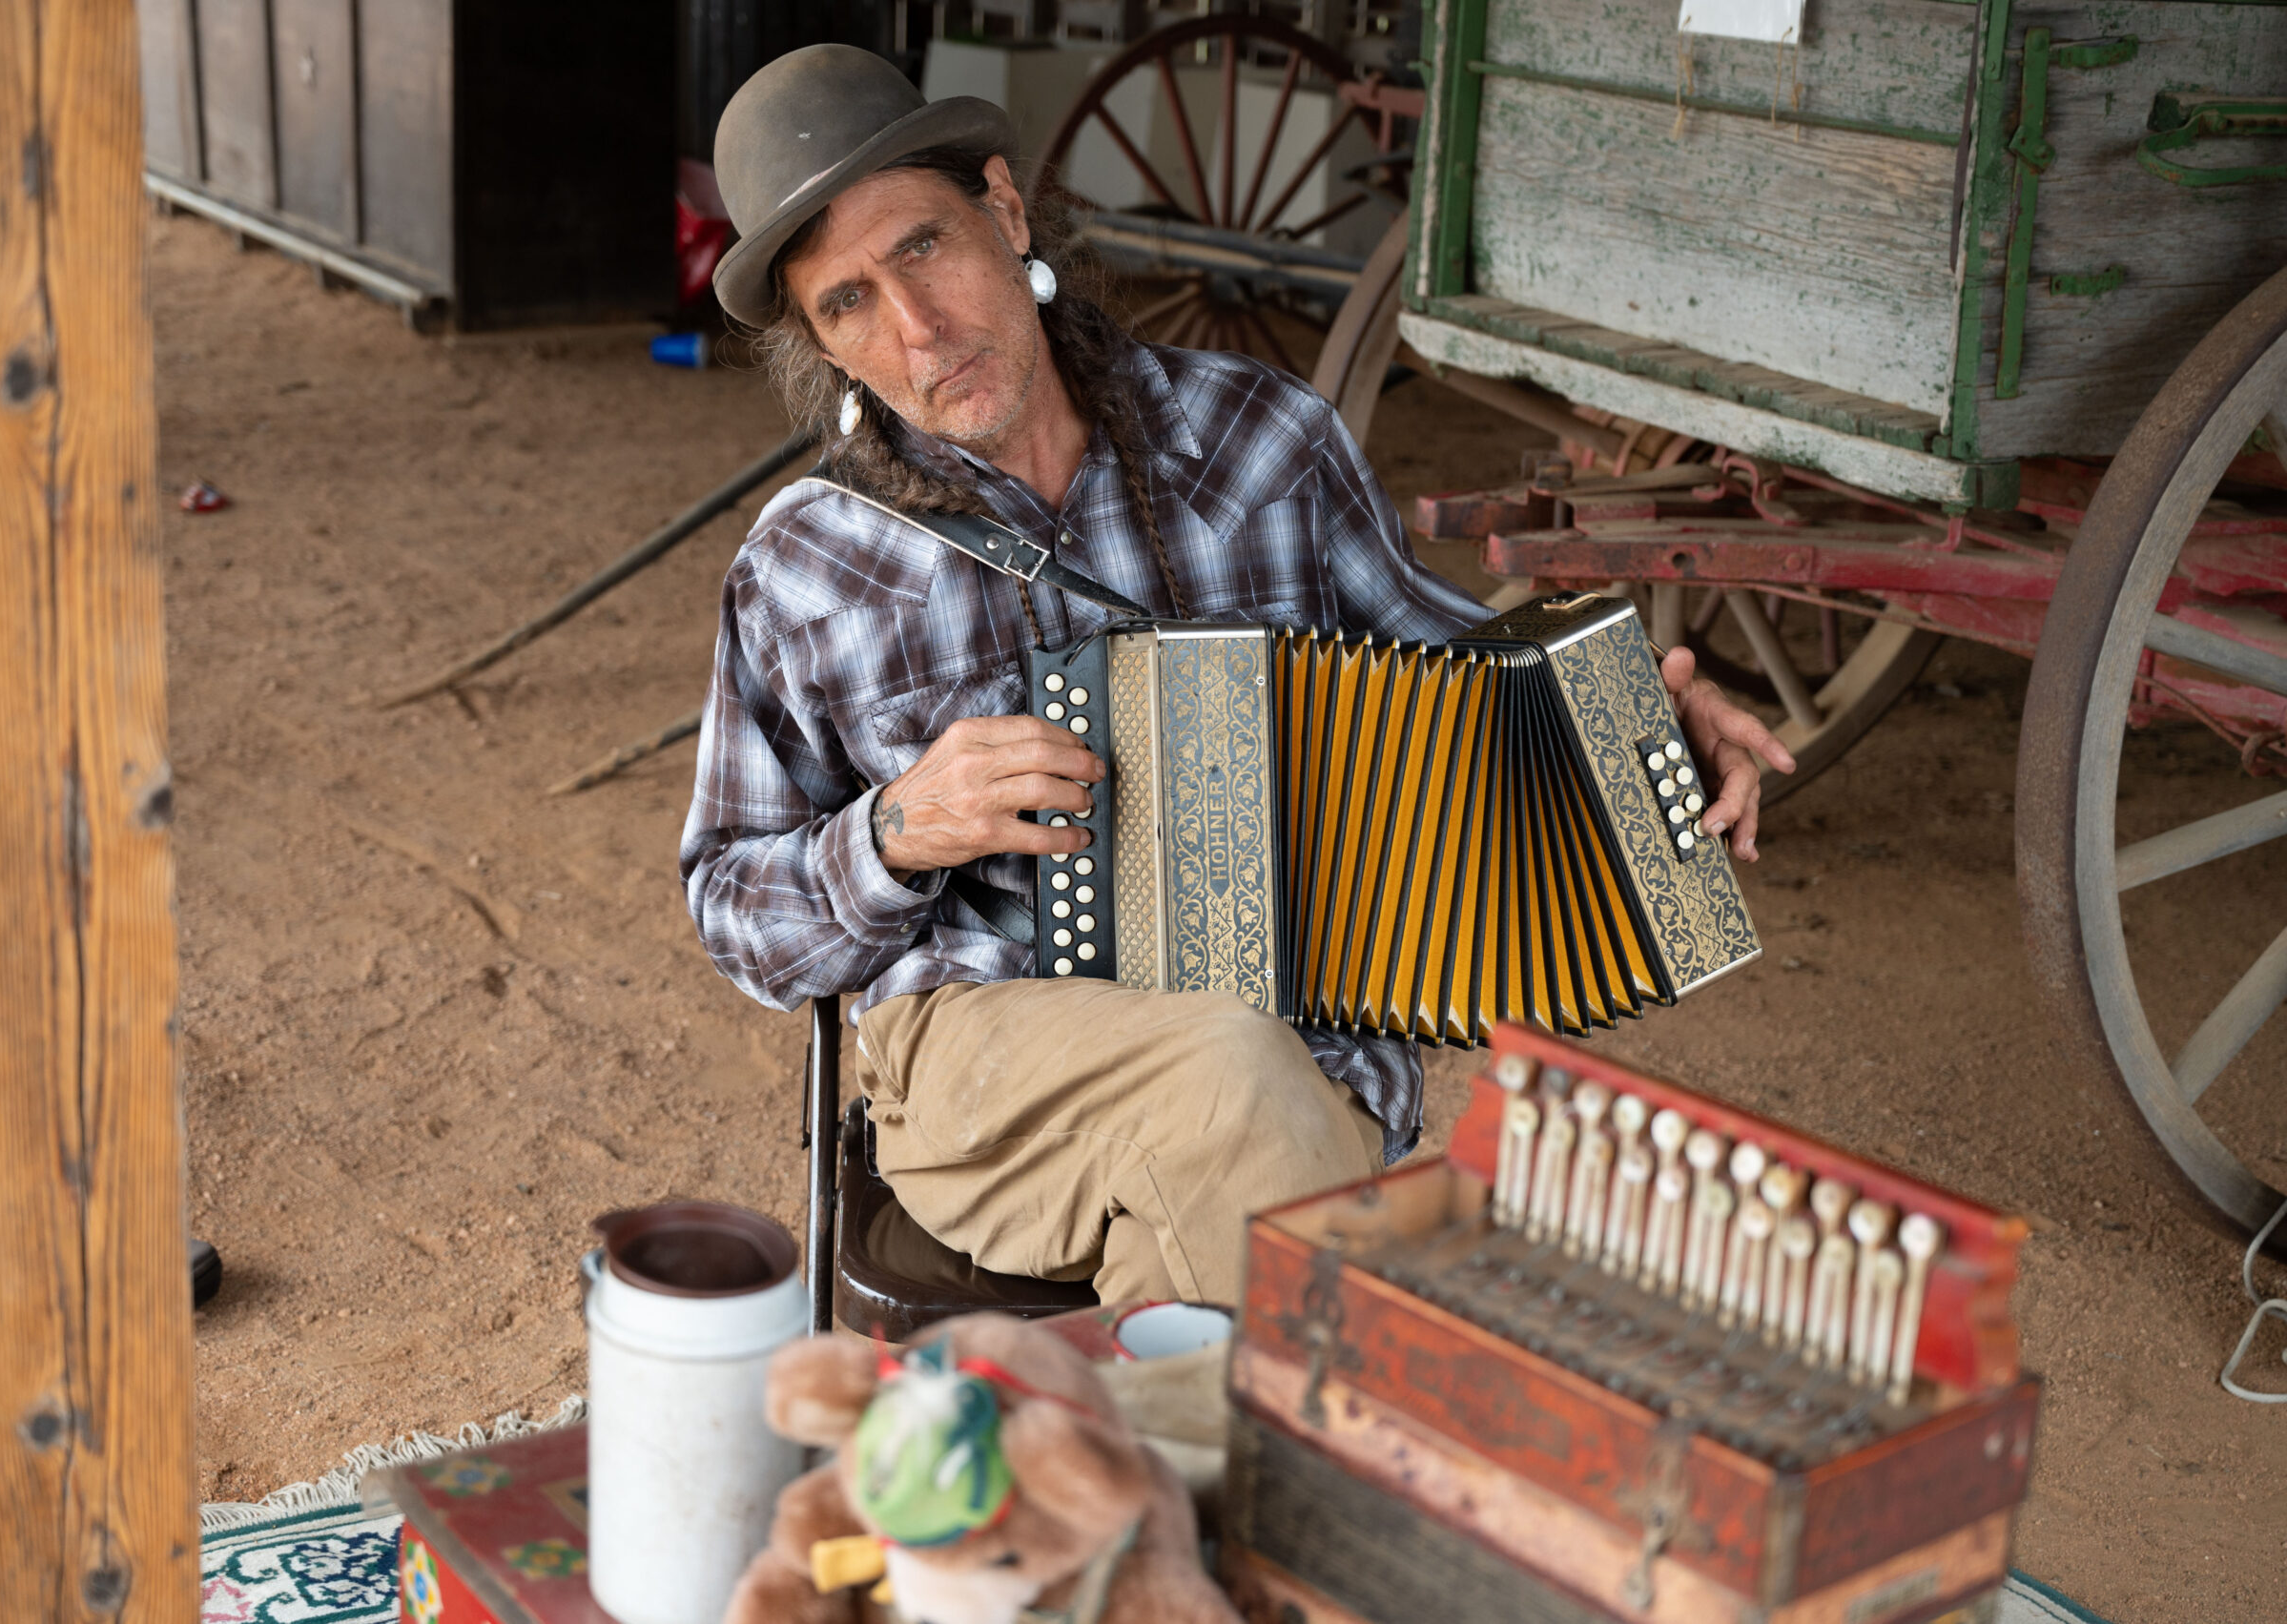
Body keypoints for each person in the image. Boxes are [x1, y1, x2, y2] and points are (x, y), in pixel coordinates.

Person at [680, 45, 1795, 1307]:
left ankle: (1160, 1469)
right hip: (984, 1062)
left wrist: (1638, 718)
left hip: (1301, 1032)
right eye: (849, 305)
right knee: (1242, 1091)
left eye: (924, 246)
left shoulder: (1263, 437)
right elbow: (734, 907)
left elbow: (1458, 683)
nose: (916, 329)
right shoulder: (808, 566)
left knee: (1217, 1263)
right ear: (825, 344)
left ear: (1000, 206)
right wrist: (894, 830)